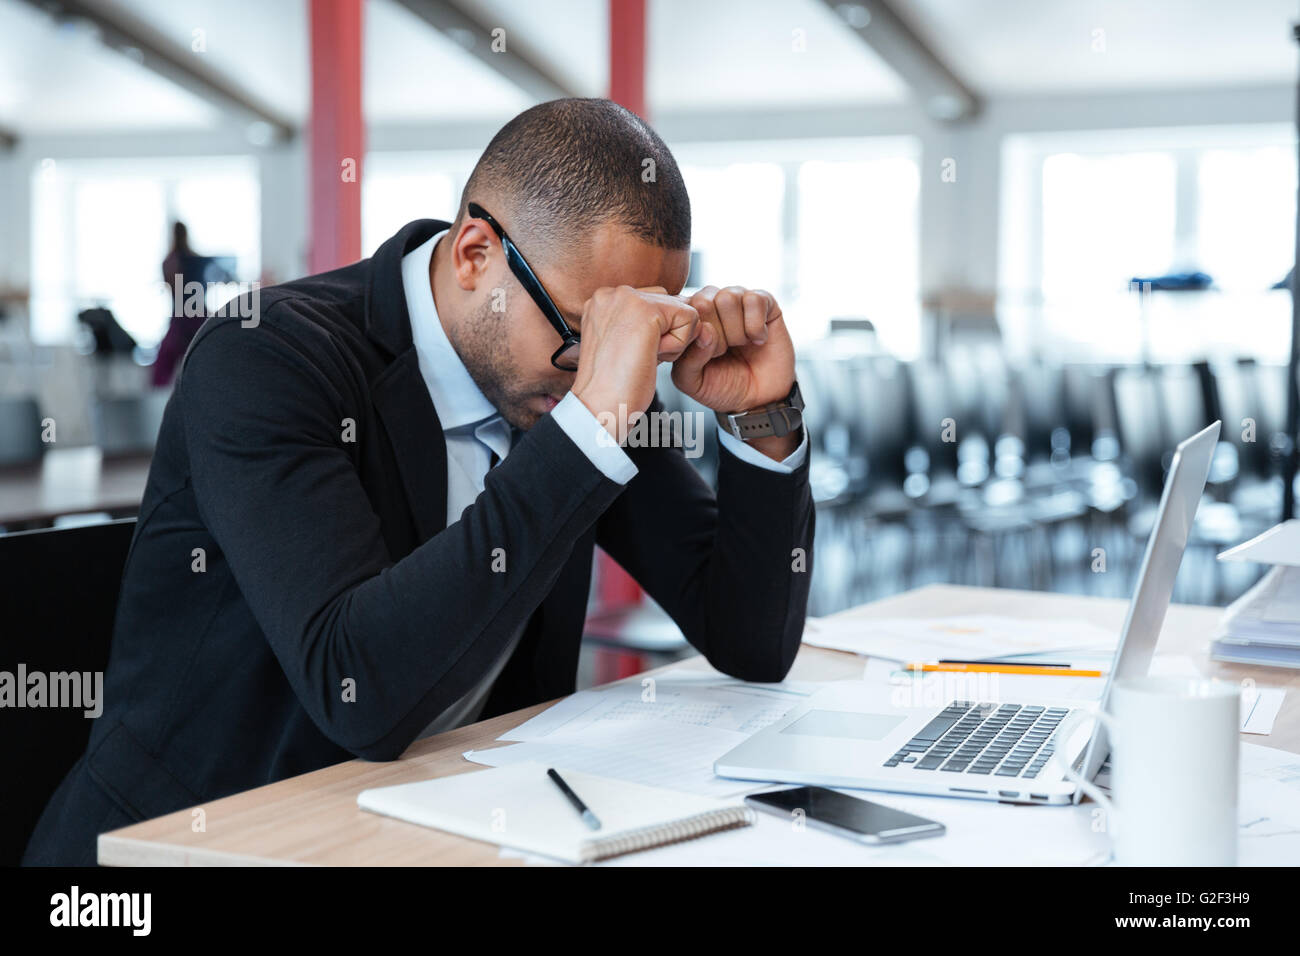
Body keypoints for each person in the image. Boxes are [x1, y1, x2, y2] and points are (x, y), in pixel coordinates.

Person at [23, 98, 814, 865]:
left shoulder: (569, 380)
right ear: (476, 254)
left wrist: (763, 419)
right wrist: (593, 415)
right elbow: (357, 689)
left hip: (441, 821)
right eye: (586, 333)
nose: (601, 370)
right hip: (202, 840)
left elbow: (749, 640)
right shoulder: (265, 358)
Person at [151, 222, 206, 387]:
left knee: (162, 369)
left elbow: (171, 288)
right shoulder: (196, 260)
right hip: (196, 316)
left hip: (182, 317)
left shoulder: (170, 262)